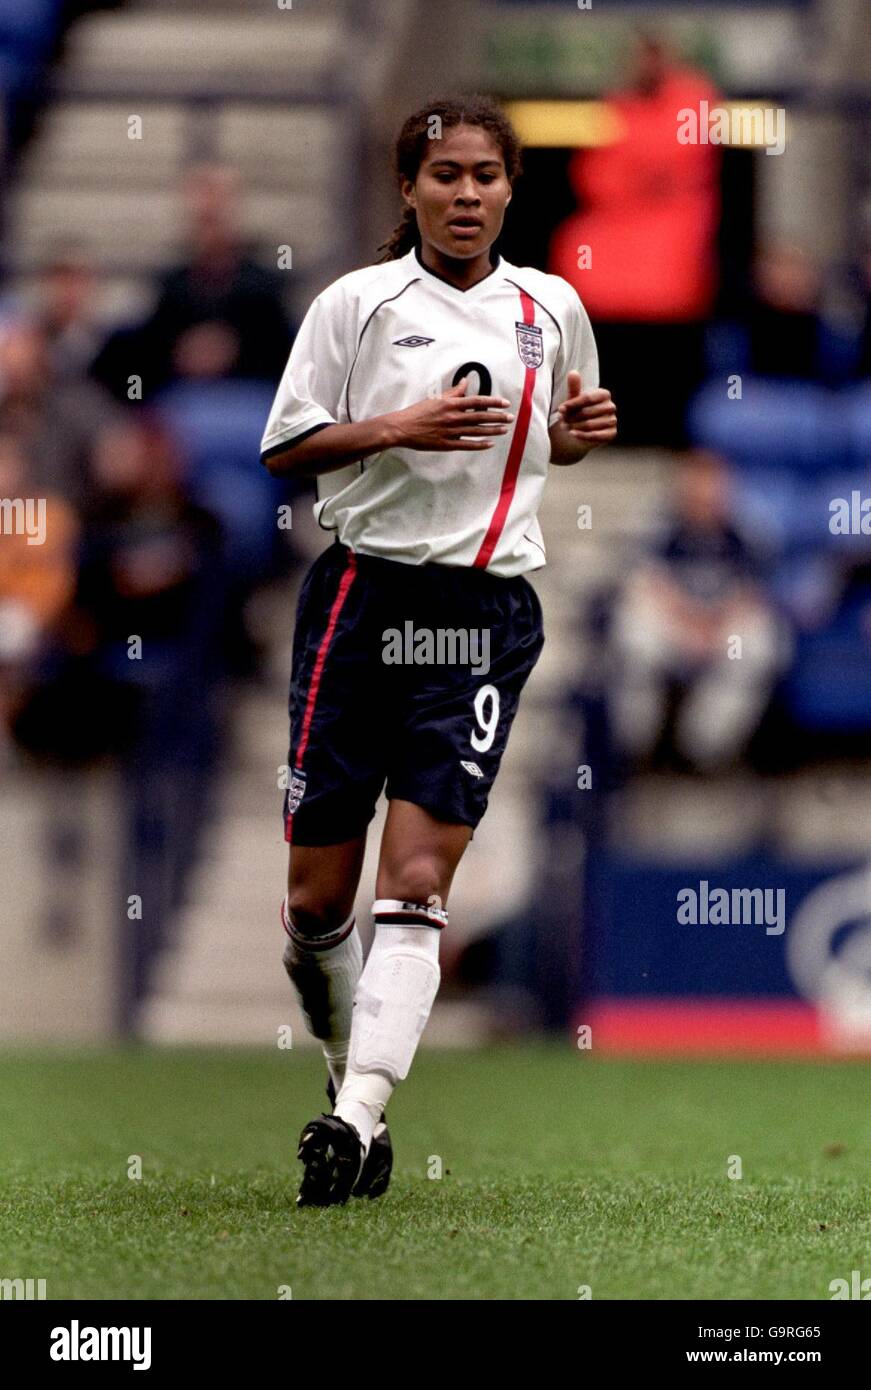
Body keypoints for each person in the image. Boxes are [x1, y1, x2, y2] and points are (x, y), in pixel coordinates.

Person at [261, 95, 617, 1207]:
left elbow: (552, 428)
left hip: (482, 612)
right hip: (361, 602)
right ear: (407, 189)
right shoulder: (355, 305)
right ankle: (346, 1073)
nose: (466, 195)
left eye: (485, 176)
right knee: (318, 900)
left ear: (513, 187)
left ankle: (355, 1115)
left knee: (416, 879)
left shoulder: (549, 305)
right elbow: (284, 444)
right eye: (444, 175)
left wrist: (573, 435)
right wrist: (391, 428)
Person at [608, 450, 784, 771]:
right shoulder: (658, 524)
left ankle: (704, 753)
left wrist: (714, 627)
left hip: (722, 627)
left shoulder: (748, 528)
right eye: (695, 486)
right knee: (634, 639)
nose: (703, 496)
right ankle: (636, 747)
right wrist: (687, 625)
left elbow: (755, 592)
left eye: (712, 487)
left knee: (760, 647)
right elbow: (644, 583)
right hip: (673, 626)